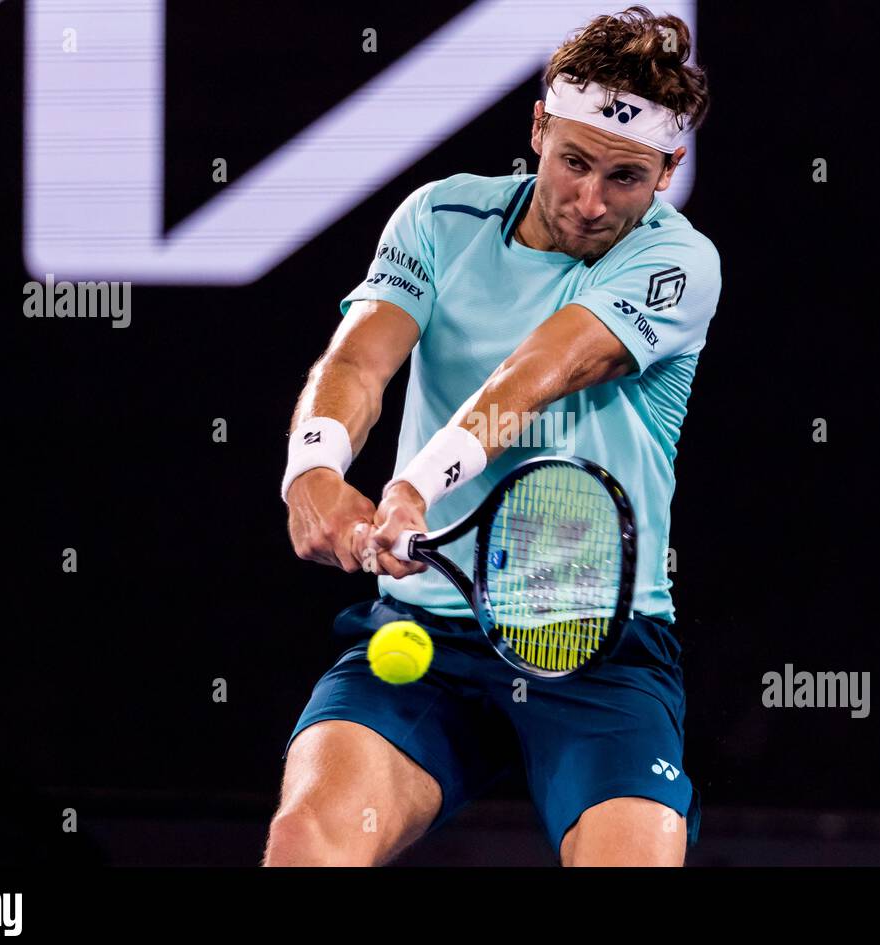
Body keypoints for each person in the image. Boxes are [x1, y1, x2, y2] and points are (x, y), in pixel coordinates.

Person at [265, 6, 720, 866]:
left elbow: (540, 371)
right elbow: (359, 362)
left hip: (602, 650)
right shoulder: (439, 219)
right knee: (307, 841)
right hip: (426, 639)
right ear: (539, 128)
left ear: (668, 170)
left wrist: (412, 488)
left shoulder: (680, 262)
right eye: (573, 162)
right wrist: (314, 469)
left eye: (624, 177)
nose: (590, 201)